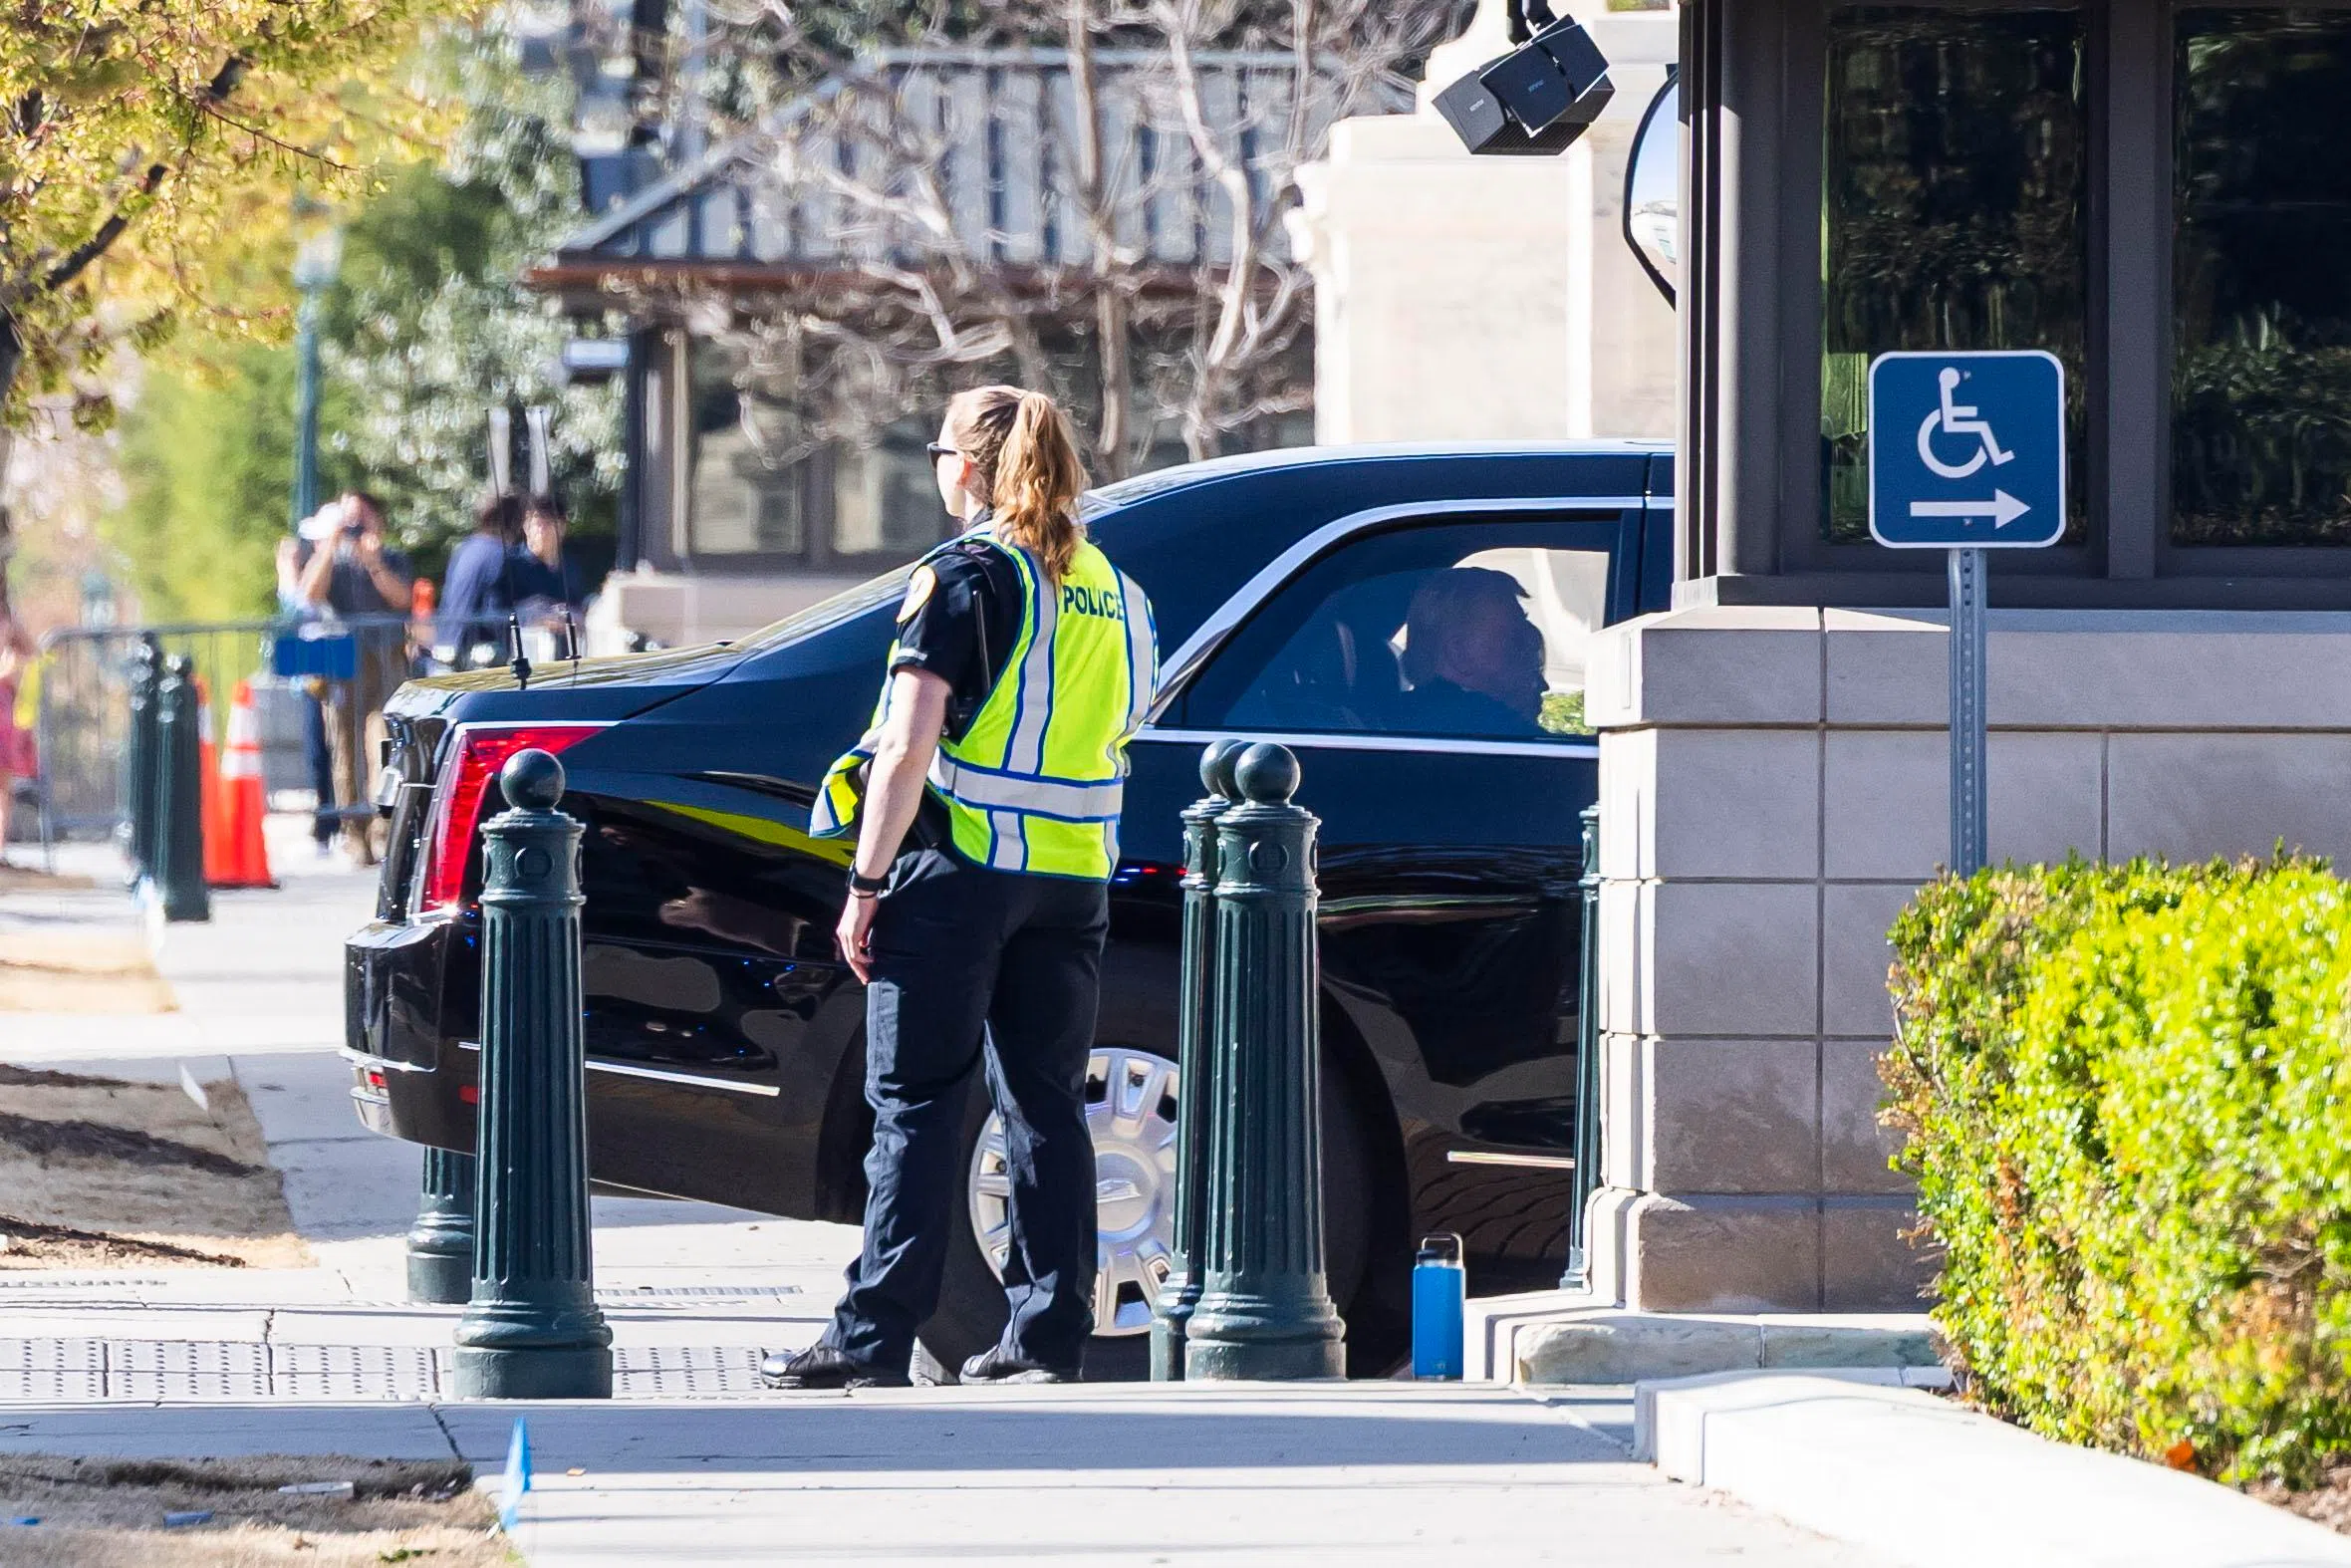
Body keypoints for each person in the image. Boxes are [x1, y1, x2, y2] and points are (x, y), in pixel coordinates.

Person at [765, 386, 1157, 1391]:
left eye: (939, 449)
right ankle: (1044, 1337)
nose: (934, 466)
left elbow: (905, 748)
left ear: (973, 468)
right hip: (1072, 877)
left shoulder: (966, 575)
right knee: (1045, 1107)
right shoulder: (1116, 586)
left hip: (960, 871)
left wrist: (865, 879)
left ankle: (872, 1332)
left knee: (916, 1104)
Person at [299, 492, 414, 863]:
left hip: (385, 658)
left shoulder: (392, 557)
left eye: (362, 519)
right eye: (349, 519)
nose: (354, 527)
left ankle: (384, 831)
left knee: (382, 743)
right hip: (342, 660)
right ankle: (354, 834)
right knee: (344, 750)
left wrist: (375, 563)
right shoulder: (331, 560)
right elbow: (310, 594)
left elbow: (402, 600)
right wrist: (330, 548)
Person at [1399, 567, 1547, 736]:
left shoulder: (1395, 724)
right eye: (1513, 640)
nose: (1543, 685)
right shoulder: (1487, 725)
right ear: (1459, 653)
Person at [436, 491, 524, 669]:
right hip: (479, 653)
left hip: (447, 644)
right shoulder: (502, 555)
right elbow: (499, 607)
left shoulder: (463, 549)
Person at [0, 576, 36, 865]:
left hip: (3, 707)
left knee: (3, 783)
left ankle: (0, 849)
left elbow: (31, 650)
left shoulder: (7, 616)